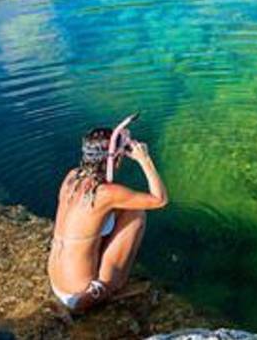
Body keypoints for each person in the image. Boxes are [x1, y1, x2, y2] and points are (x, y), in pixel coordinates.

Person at [47, 127, 168, 312]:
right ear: (115, 158)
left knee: (120, 211)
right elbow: (160, 200)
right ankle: (114, 285)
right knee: (137, 215)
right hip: (81, 296)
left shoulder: (72, 177)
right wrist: (145, 160)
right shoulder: (106, 194)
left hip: (57, 282)